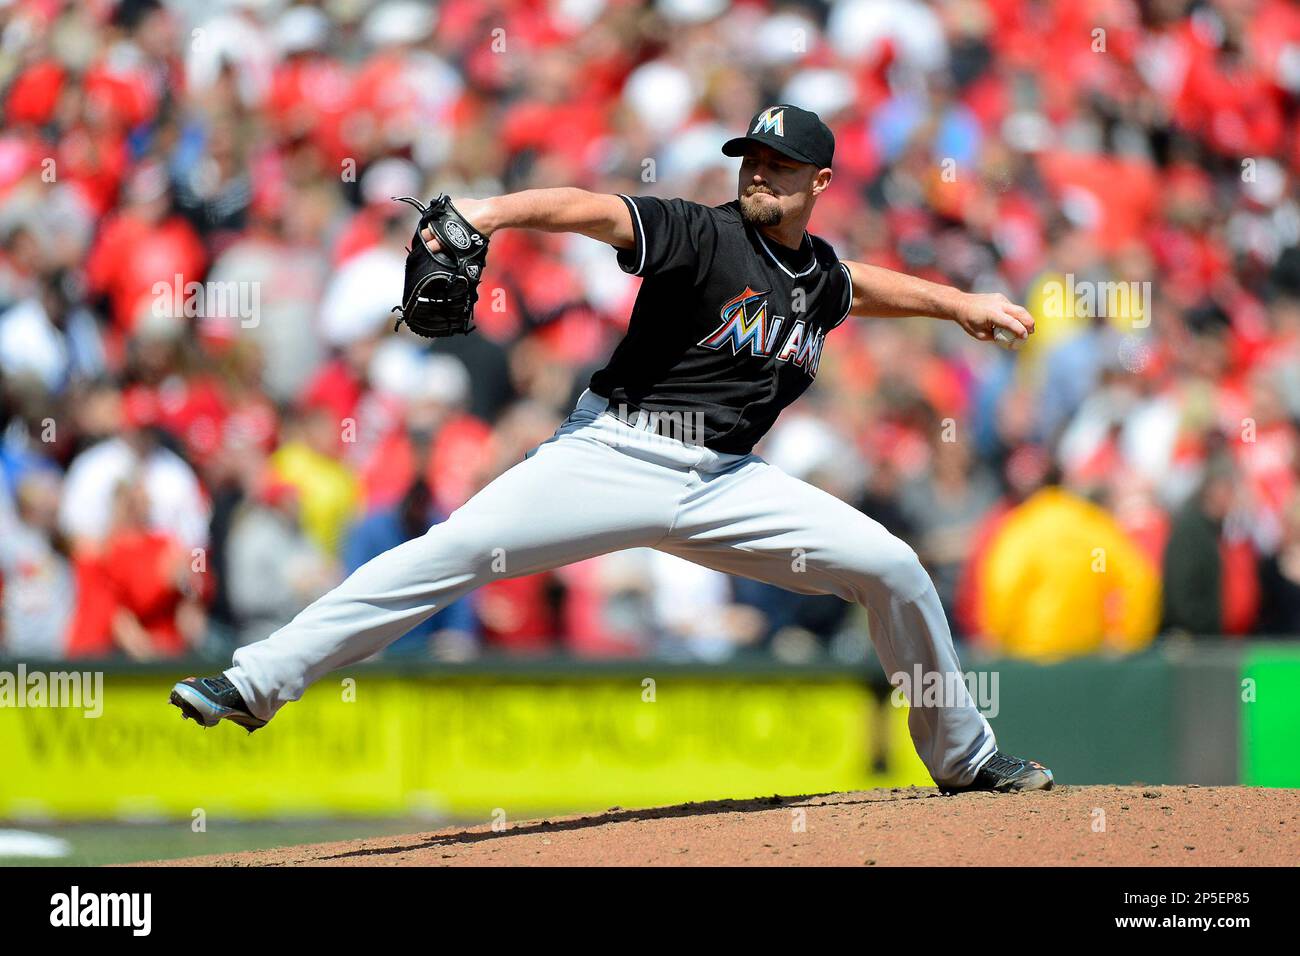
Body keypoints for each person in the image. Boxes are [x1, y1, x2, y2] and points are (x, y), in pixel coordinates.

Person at [171, 105, 1052, 794]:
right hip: (614, 451)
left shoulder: (817, 273)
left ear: (819, 180)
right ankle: (255, 681)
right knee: (454, 550)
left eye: (780, 166)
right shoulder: (703, 232)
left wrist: (956, 302)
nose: (759, 175)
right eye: (750, 160)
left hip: (725, 483)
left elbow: (857, 286)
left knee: (894, 568)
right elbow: (593, 210)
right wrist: (488, 212)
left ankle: (965, 758)